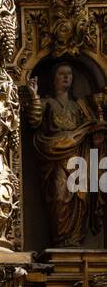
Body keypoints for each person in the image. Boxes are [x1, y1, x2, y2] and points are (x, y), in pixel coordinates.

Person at [24, 64, 107, 246]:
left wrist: (96, 135)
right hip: (54, 158)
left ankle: (74, 240)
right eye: (61, 74)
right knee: (59, 198)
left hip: (79, 160)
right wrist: (34, 96)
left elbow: (91, 129)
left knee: (80, 199)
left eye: (69, 74)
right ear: (53, 79)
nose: (66, 77)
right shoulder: (47, 103)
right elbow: (34, 120)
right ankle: (61, 240)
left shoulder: (79, 106)